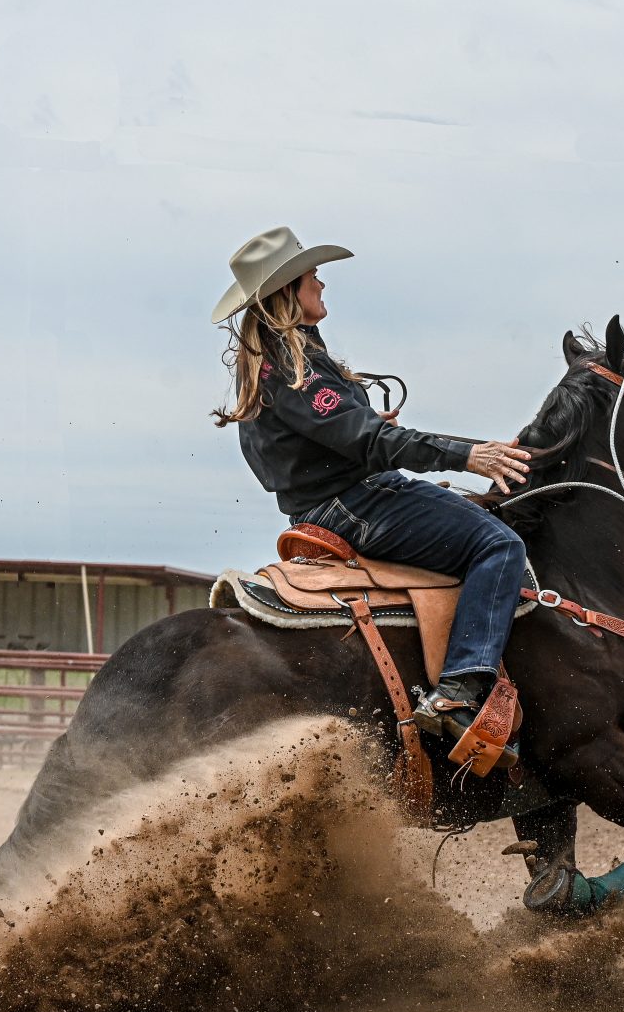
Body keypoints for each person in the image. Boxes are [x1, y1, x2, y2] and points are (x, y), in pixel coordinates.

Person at [211, 226, 532, 747]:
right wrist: (467, 454)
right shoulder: (296, 369)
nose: (321, 283)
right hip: (355, 502)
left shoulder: (272, 367)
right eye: (311, 274)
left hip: (322, 506)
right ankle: (462, 689)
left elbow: (313, 445)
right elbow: (368, 442)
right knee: (499, 544)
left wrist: (357, 431)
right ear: (288, 291)